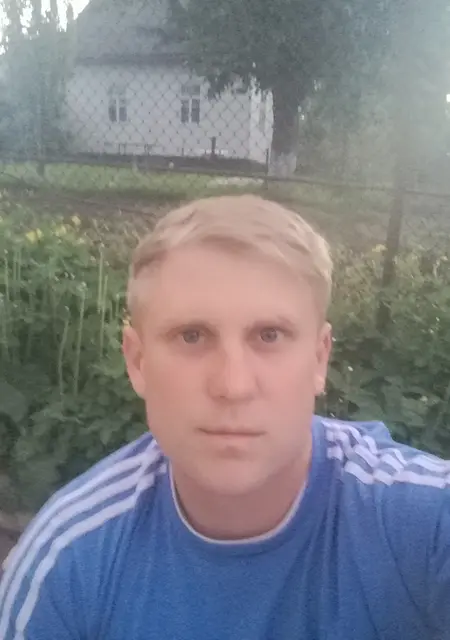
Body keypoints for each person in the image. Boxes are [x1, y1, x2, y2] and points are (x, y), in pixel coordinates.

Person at [0, 194, 448, 640]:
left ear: (319, 358)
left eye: (269, 335)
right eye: (192, 336)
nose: (233, 386)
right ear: (137, 362)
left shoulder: (422, 524)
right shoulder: (68, 559)